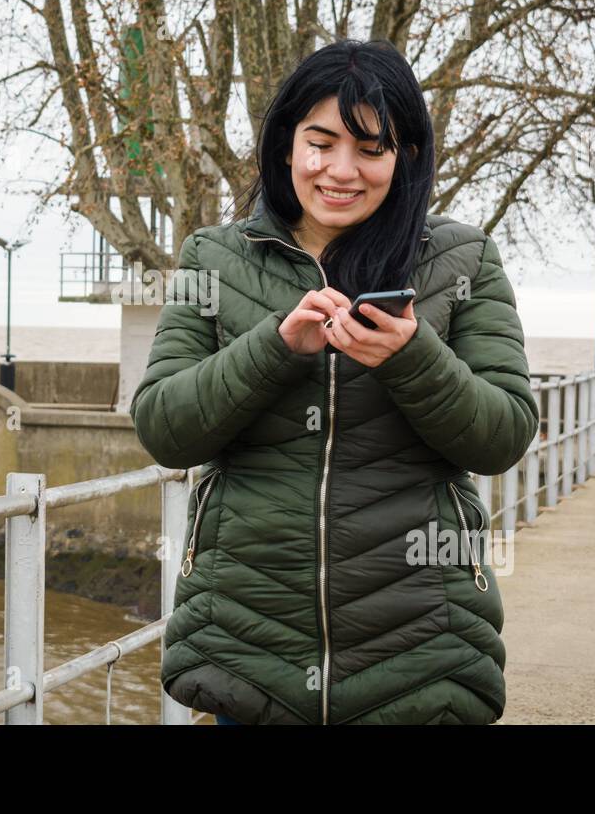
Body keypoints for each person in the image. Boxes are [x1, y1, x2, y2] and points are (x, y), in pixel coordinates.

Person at [129, 38, 539, 725]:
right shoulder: (213, 256)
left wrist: (414, 357)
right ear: (285, 145)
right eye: (320, 143)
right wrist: (274, 347)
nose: (341, 170)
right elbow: (165, 428)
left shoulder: (462, 259)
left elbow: (503, 435)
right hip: (250, 654)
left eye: (371, 149)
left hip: (419, 653)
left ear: (405, 157)